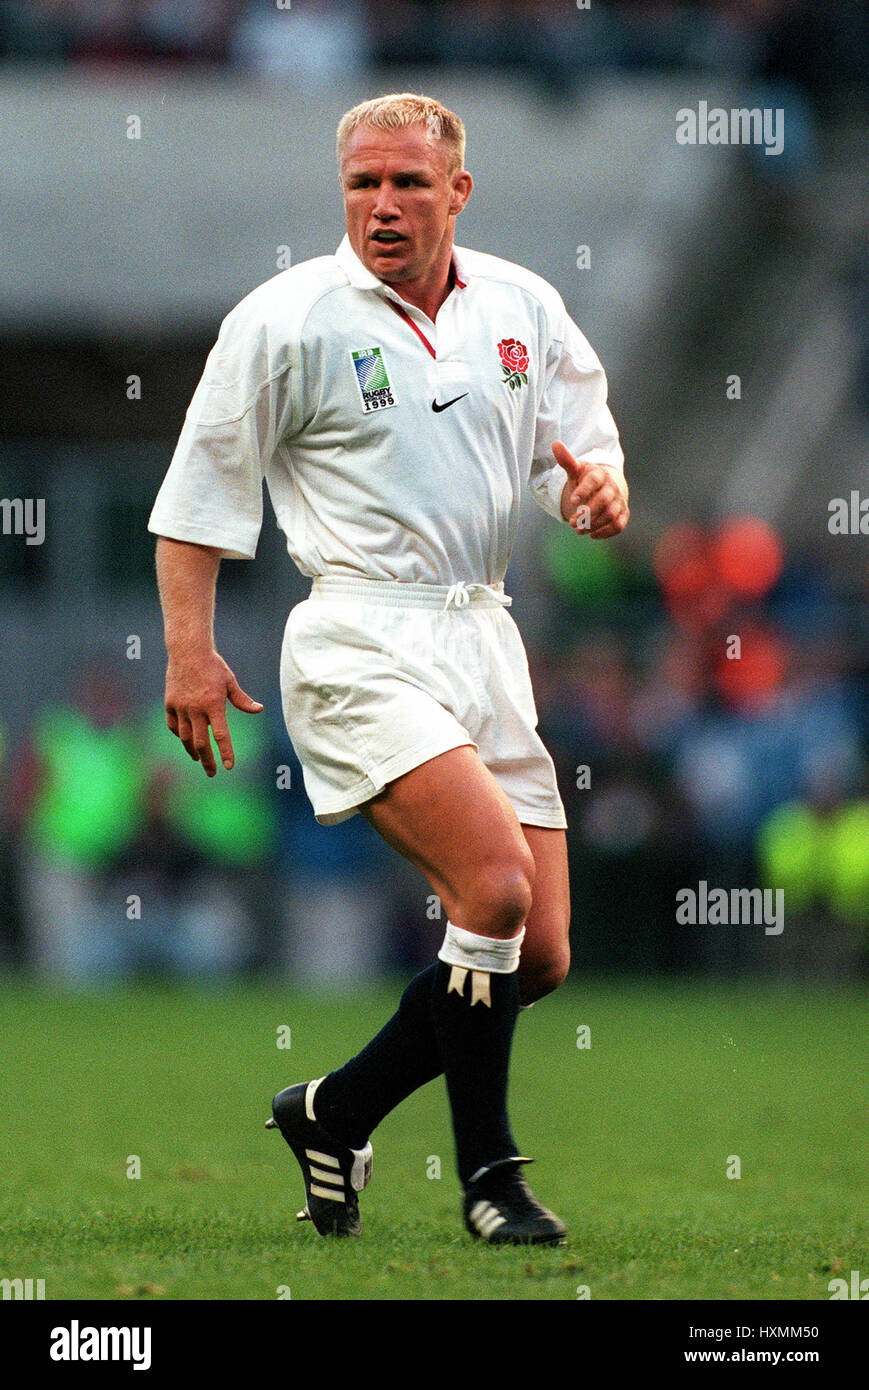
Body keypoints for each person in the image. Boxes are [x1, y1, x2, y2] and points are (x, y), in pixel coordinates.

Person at [148, 92, 628, 1245]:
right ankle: (490, 1179)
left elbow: (585, 447)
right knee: (495, 892)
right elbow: (198, 499)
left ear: (456, 192)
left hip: (482, 635)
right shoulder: (287, 318)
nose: (383, 204)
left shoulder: (521, 304)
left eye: (408, 183)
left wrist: (598, 493)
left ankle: (335, 1109)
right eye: (363, 183)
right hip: (358, 638)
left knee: (542, 953)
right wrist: (190, 652)